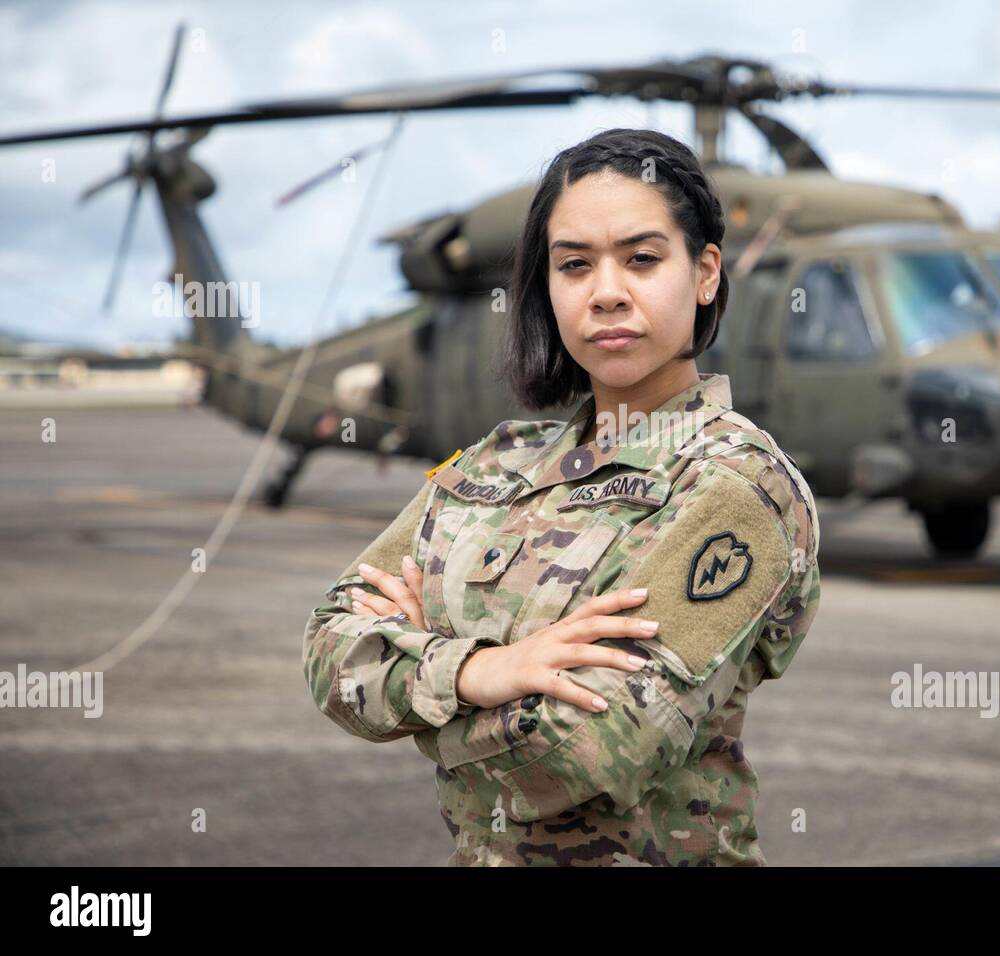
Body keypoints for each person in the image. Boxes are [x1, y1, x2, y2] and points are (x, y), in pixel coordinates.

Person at [302, 127, 820, 866]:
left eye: (642, 259)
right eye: (574, 265)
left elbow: (587, 751)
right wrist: (485, 671)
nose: (607, 292)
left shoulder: (736, 486)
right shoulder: (495, 463)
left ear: (705, 273)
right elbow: (327, 648)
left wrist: (416, 678)